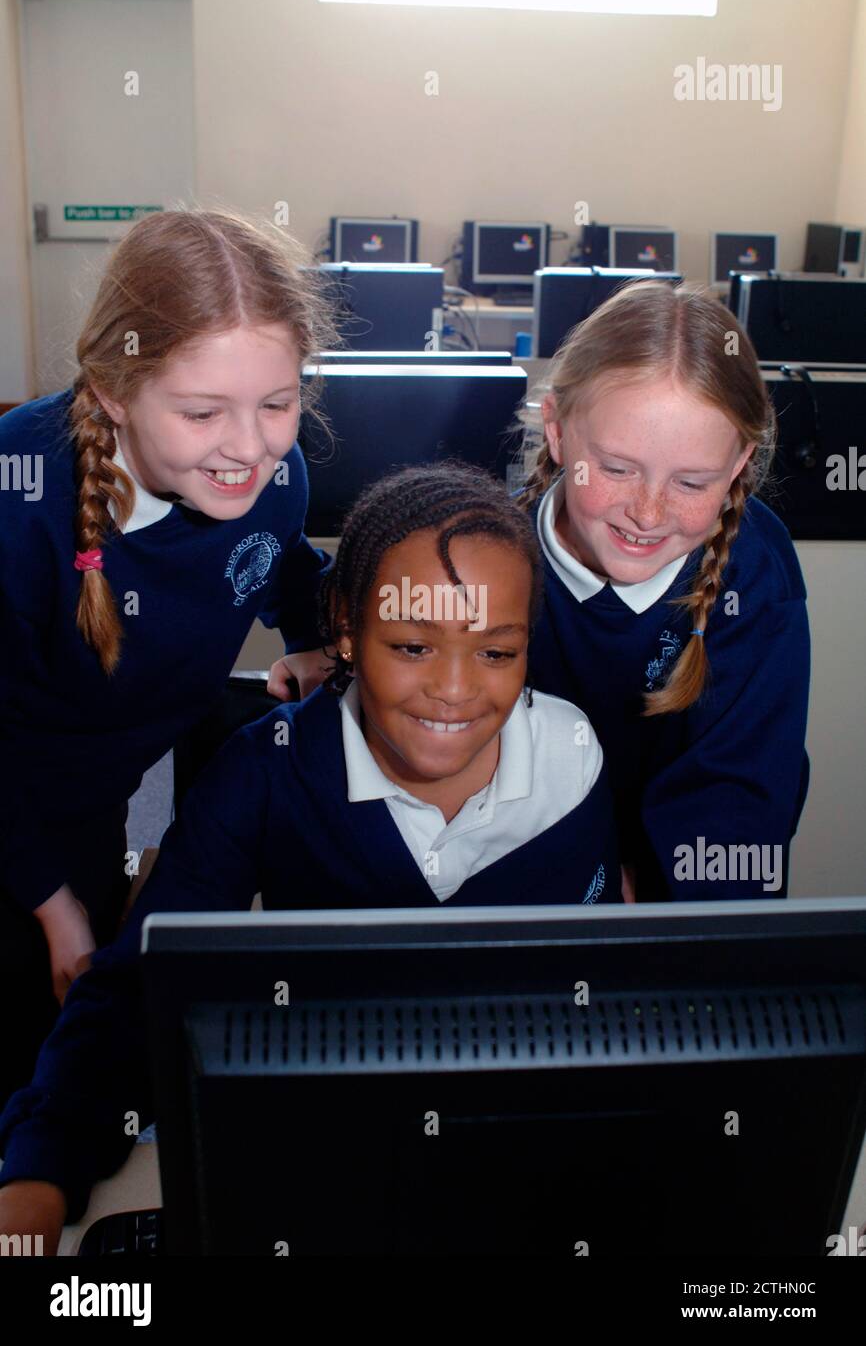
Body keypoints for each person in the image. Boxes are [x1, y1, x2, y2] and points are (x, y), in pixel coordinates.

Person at [0, 461, 621, 1249]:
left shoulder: (571, 757)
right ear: (346, 629)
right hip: (323, 1161)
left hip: (511, 1169)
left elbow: (593, 1000)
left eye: (497, 653)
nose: (457, 691)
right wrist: (40, 1171)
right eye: (412, 645)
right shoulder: (266, 772)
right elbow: (135, 990)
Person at [0, 206, 339, 1106]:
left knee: (92, 1061)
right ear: (114, 391)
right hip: (19, 806)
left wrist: (308, 639)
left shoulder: (274, 471)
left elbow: (282, 557)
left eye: (278, 401)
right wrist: (53, 904)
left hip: (103, 793)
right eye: (201, 412)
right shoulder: (19, 497)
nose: (250, 446)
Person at [517, 279, 810, 902]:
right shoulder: (485, 557)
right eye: (618, 469)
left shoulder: (756, 571)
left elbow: (742, 798)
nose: (647, 514)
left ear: (738, 465)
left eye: (692, 482)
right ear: (558, 431)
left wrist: (652, 903)